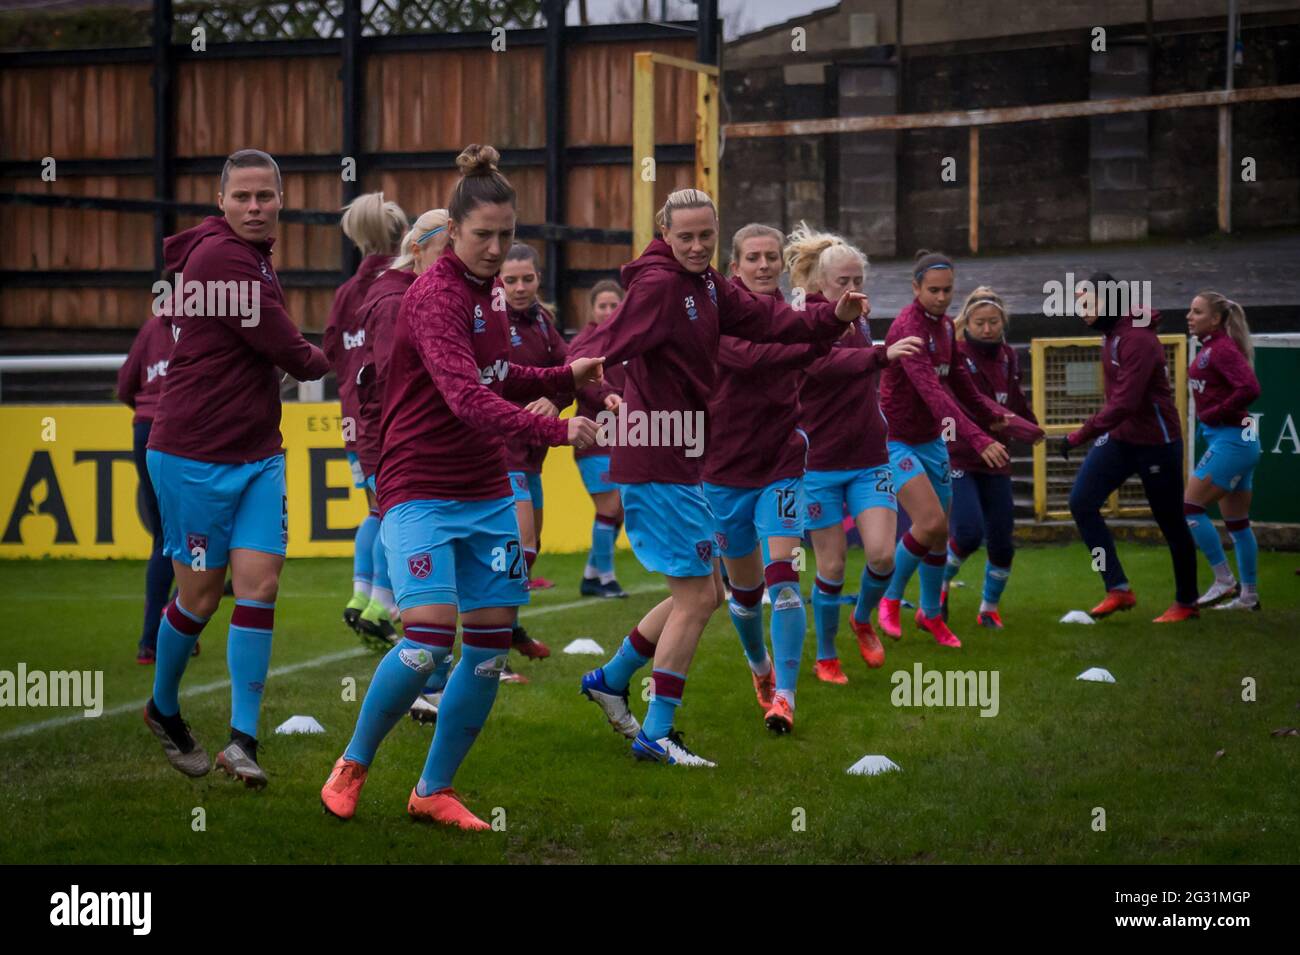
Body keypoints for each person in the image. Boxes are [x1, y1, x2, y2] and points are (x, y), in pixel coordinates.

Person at [320, 145, 603, 830]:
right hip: (418, 485)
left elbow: (498, 375)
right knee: (425, 639)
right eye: (484, 235)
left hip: (485, 492)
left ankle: (433, 789)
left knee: (486, 644)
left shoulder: (493, 295)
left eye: (507, 234)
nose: (498, 248)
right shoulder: (435, 296)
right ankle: (353, 762)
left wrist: (569, 377)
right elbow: (465, 399)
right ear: (452, 231)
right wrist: (559, 432)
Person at [573, 189, 867, 767]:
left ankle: (611, 680)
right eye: (686, 236)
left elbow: (768, 318)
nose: (697, 245)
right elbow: (599, 348)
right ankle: (657, 732)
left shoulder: (706, 284)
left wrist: (829, 318)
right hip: (658, 456)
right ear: (665, 232)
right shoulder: (659, 287)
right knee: (698, 599)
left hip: (685, 459)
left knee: (706, 592)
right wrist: (567, 388)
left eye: (706, 235)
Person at [143, 148, 330, 787]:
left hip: (257, 454)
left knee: (260, 585)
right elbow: (291, 352)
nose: (255, 206)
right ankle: (164, 710)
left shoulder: (253, 257)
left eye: (266, 196)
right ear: (221, 201)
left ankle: (242, 740)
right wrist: (357, 354)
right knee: (198, 596)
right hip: (193, 454)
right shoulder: (222, 256)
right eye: (243, 196)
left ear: (281, 201)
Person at [783, 223, 921, 688]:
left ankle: (862, 620)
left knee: (882, 557)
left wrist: (878, 352)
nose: (853, 289)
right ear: (820, 283)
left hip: (868, 458)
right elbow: (820, 366)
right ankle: (825, 656)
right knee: (833, 566)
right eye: (843, 281)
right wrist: (881, 356)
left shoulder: (858, 317)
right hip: (819, 463)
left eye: (858, 280)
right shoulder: (806, 319)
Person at [877, 251, 1023, 648]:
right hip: (895, 438)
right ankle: (889, 598)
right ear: (915, 288)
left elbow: (962, 385)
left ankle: (931, 615)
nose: (942, 298)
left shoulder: (944, 328)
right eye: (934, 290)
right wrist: (979, 438)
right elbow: (933, 395)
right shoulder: (907, 328)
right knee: (931, 524)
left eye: (947, 290)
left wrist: (1014, 423)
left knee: (940, 536)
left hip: (931, 441)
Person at [353, 208, 451, 719]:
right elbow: (394, 384)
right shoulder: (396, 301)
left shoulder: (421, 292)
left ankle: (436, 677)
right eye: (447, 248)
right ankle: (425, 682)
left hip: (424, 451)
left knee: (448, 583)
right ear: (419, 249)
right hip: (406, 454)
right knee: (429, 587)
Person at [1061, 272, 1199, 623]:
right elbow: (1121, 407)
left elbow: (1124, 402)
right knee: (1081, 502)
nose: (1082, 312)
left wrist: (1079, 436)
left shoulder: (1135, 339)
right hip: (1122, 438)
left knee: (1170, 522)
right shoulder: (1114, 334)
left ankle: (1186, 602)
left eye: (1087, 303)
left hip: (1157, 443)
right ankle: (1117, 588)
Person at [324, 192, 409, 643]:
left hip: (353, 420)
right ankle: (382, 605)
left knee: (375, 510)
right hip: (388, 416)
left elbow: (333, 352)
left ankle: (361, 597)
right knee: (396, 512)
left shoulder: (345, 293)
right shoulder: (401, 285)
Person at [941, 287, 1044, 628]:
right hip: (960, 454)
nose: (987, 329)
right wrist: (988, 422)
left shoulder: (1009, 356)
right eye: (980, 322)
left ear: (1003, 322)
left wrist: (1031, 427)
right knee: (968, 533)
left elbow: (1013, 400)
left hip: (996, 456)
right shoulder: (955, 354)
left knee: (1002, 541)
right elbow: (953, 405)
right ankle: (938, 587)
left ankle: (988, 608)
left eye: (993, 322)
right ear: (966, 323)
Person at [499, 242, 573, 656]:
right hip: (501, 449)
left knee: (533, 546)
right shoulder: (488, 321)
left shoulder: (542, 321)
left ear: (538, 279)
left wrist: (557, 401)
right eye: (511, 280)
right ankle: (491, 633)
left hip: (531, 455)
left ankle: (505, 625)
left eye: (527, 278)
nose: (520, 287)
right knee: (520, 546)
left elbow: (568, 370)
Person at [1183, 291, 1263, 611]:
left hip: (1233, 439)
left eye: (1197, 311)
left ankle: (1224, 580)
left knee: (1190, 508)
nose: (1189, 316)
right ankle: (1249, 596)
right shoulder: (1211, 348)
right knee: (1238, 524)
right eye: (1190, 310)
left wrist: (1217, 411)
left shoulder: (1221, 349)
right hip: (1238, 439)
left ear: (1215, 319)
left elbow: (1250, 388)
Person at [116, 290, 184, 665]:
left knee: (163, 538)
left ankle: (150, 642)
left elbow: (125, 385)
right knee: (204, 536)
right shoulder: (205, 324)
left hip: (145, 431)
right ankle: (176, 617)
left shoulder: (149, 329)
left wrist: (149, 409)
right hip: (184, 433)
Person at [571, 280, 629, 598]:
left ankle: (592, 575)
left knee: (618, 510)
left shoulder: (626, 340)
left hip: (623, 438)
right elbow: (577, 379)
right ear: (591, 309)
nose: (608, 311)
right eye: (602, 305)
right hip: (593, 438)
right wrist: (609, 395)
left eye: (614, 305)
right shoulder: (585, 342)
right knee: (609, 507)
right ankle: (606, 579)